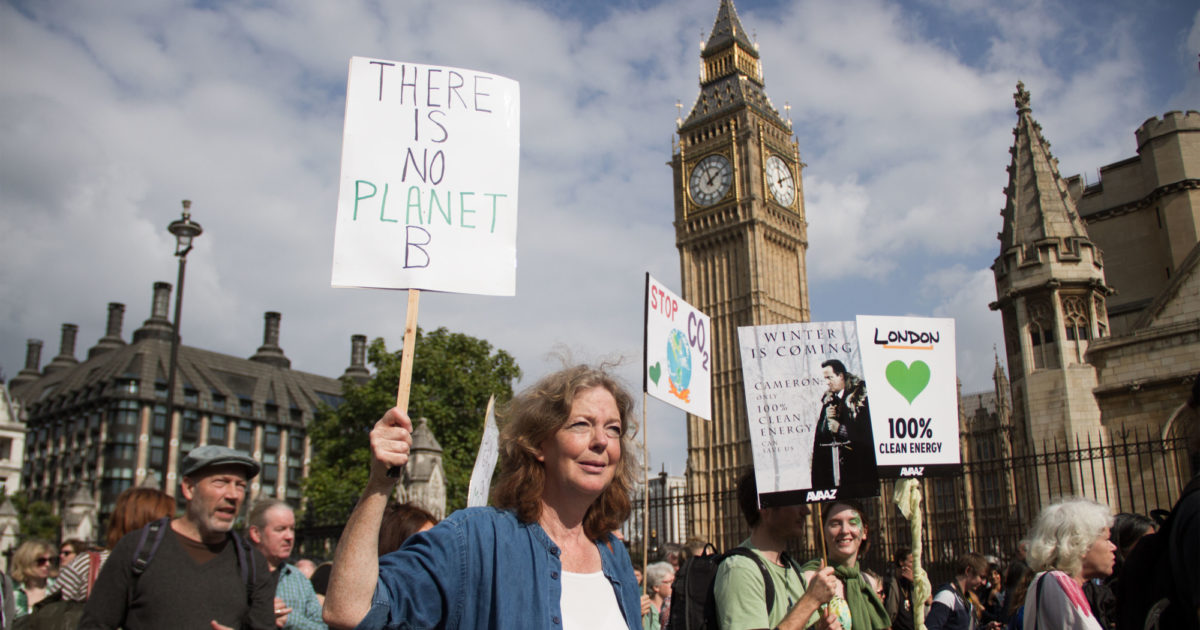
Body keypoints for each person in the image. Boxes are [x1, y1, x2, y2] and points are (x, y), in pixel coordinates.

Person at [323, 364, 643, 629]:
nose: (601, 440)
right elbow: (349, 610)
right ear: (538, 444)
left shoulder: (613, 555)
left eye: (613, 428)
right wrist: (380, 481)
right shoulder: (475, 539)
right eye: (581, 424)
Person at [80, 445, 277, 629]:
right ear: (189, 488)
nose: (233, 494)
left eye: (240, 485)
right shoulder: (137, 549)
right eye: (221, 482)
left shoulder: (252, 563)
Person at [714, 470, 839, 630]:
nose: (806, 511)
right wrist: (811, 600)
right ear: (765, 507)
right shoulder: (740, 570)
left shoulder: (792, 567)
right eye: (797, 501)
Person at [52, 487, 175, 602]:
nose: (172, 526)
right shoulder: (90, 564)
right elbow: (49, 613)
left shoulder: (171, 568)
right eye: (167, 520)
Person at [1021, 496, 1115, 630]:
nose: (1113, 547)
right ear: (1081, 544)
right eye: (1106, 539)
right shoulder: (1056, 581)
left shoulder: (1050, 581)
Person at [800, 499, 890, 630]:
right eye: (835, 524)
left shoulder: (868, 583)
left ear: (864, 531)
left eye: (853, 523)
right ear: (823, 531)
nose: (844, 530)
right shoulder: (809, 579)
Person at [247, 499, 326, 630]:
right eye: (280, 529)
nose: (289, 536)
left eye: (292, 529)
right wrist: (255, 613)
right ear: (256, 534)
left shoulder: (298, 579)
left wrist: (289, 619)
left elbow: (322, 627)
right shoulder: (235, 573)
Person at [811, 360, 877, 492]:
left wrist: (840, 429)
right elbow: (820, 438)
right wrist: (826, 421)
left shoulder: (860, 398)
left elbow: (867, 434)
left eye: (830, 378)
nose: (827, 382)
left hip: (858, 472)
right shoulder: (829, 400)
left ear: (841, 375)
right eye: (825, 379)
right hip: (835, 475)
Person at [927, 552, 1000, 630]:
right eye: (981, 577)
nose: (984, 582)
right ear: (968, 571)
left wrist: (986, 628)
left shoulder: (966, 597)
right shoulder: (946, 595)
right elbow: (930, 627)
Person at [10, 540, 56, 617]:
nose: (48, 564)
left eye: (51, 560)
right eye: (41, 561)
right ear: (26, 561)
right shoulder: (12, 590)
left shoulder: (56, 589)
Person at [884, 547, 917, 630]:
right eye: (911, 562)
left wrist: (915, 583)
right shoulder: (890, 584)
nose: (914, 565)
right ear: (901, 562)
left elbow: (928, 600)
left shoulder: (912, 583)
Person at [643, 561, 673, 630]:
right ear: (656, 587)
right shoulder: (646, 608)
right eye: (669, 582)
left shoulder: (673, 606)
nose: (673, 585)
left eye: (674, 581)